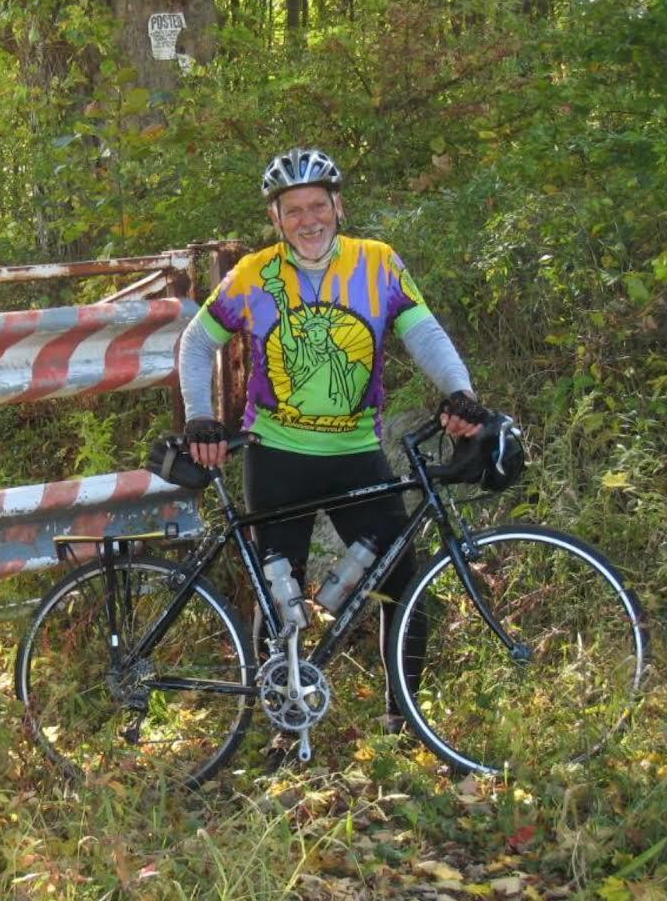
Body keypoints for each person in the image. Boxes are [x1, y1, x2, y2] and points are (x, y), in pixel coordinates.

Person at [177, 147, 486, 737]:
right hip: (276, 456)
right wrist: (200, 418)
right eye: (293, 210)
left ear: (338, 206)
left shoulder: (378, 263)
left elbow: (423, 332)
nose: (308, 220)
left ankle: (403, 724)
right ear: (275, 219)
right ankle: (286, 731)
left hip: (356, 454)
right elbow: (196, 342)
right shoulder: (253, 275)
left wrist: (460, 391)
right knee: (280, 595)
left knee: (401, 586)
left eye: (317, 205)